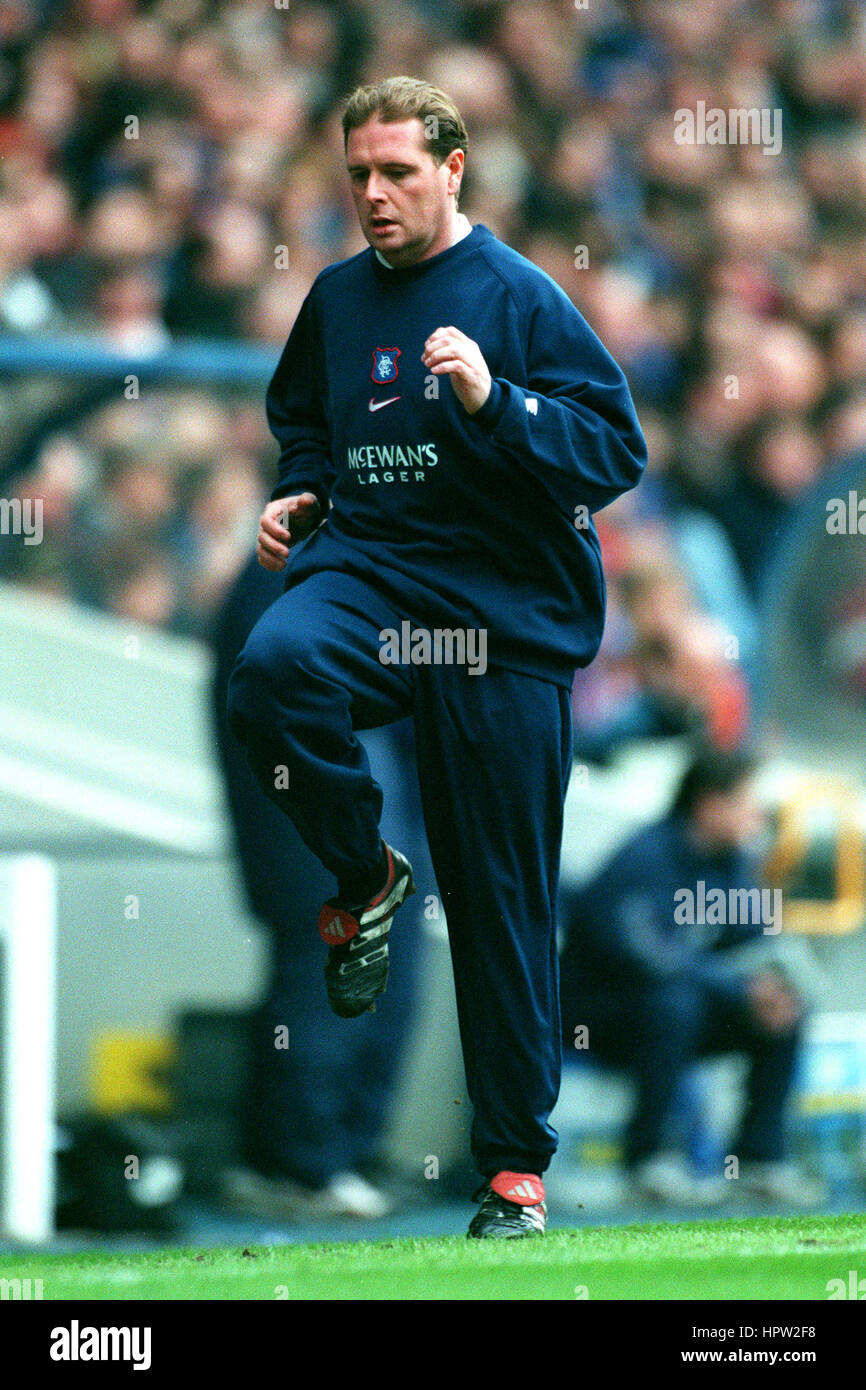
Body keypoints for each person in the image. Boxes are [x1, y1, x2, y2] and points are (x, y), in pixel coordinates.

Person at [227, 75, 646, 1238]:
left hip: (500, 621)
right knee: (271, 673)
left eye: (396, 171)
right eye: (357, 172)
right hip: (370, 579)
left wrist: (495, 400)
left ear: (451, 170)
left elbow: (613, 449)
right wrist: (297, 496)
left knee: (502, 903)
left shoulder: (517, 295)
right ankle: (365, 875)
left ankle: (512, 1172)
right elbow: (306, 426)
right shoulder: (335, 299)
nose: (372, 193)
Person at [211, 551, 431, 1219]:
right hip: (316, 803)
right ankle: (294, 1163)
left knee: (392, 974)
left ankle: (345, 1153)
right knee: (328, 973)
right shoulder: (287, 565)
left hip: (372, 789)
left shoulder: (376, 564)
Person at [559, 745, 824, 1208]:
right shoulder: (645, 856)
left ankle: (758, 1162)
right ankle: (649, 1163)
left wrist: (769, 987)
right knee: (673, 1003)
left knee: (784, 1006)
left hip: (681, 1007)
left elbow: (756, 944)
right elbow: (648, 959)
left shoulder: (732, 863)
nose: (755, 815)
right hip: (599, 1015)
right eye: (745, 802)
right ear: (708, 803)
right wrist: (738, 987)